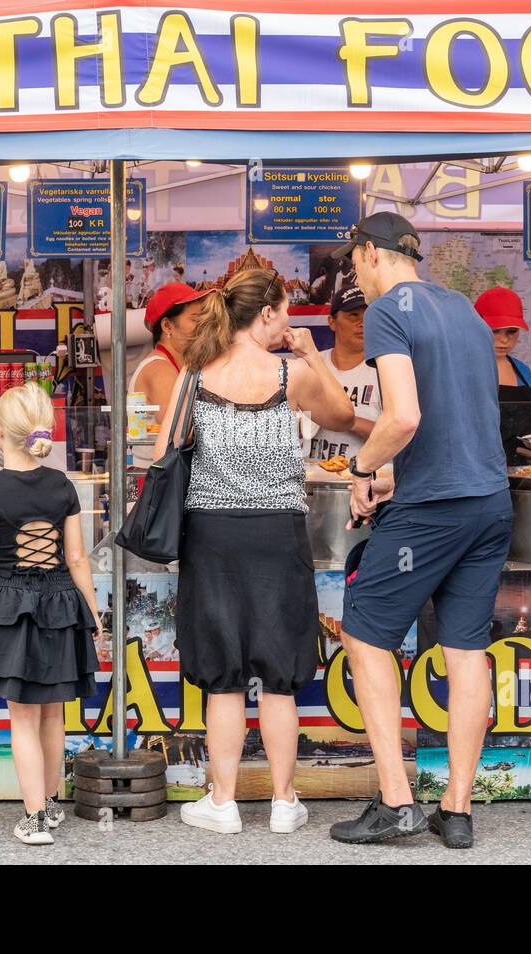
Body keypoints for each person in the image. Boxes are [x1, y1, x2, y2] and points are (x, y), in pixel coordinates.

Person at [329, 212, 512, 850]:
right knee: (466, 653)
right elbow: (463, 411)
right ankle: (456, 811)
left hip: (435, 508)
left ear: (372, 255)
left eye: (354, 265)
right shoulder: (462, 307)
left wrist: (363, 466)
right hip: (489, 499)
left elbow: (402, 416)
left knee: (364, 631)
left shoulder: (388, 311)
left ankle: (398, 801)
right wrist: (396, 474)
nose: (356, 279)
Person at [156, 267, 353, 836]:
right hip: (278, 532)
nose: (290, 322)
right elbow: (341, 413)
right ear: (266, 314)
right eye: (286, 311)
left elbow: (167, 447)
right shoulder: (289, 372)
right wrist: (313, 355)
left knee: (222, 675)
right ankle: (285, 802)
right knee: (279, 673)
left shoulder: (194, 372)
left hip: (212, 535)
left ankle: (222, 802)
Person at [0, 382, 101, 845]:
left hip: (14, 608)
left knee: (22, 719)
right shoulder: (62, 486)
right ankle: (50, 806)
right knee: (53, 714)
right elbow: (77, 559)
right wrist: (93, 618)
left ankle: (33, 818)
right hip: (61, 606)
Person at [129, 282, 210, 469]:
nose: (202, 326)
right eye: (195, 319)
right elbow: (180, 432)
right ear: (167, 326)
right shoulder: (159, 369)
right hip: (157, 478)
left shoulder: (173, 364)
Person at [303, 283, 383, 462]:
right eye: (353, 315)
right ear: (332, 322)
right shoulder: (309, 365)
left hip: (364, 480)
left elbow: (398, 435)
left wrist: (346, 420)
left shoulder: (385, 370)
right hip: (312, 477)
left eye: (369, 315)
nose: (362, 323)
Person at [474, 286, 531, 465]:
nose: (504, 339)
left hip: (524, 474)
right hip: (478, 475)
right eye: (495, 330)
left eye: (512, 331)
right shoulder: (462, 369)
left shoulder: (523, 371)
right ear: (475, 325)